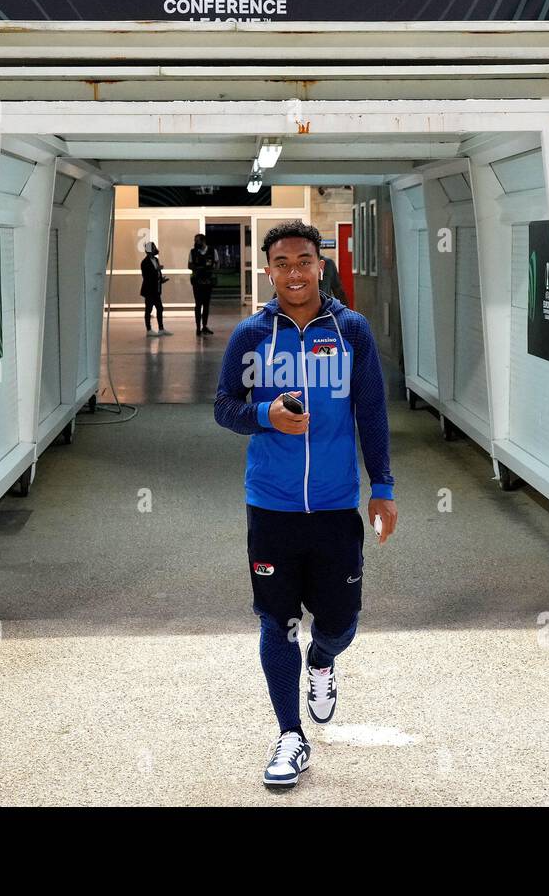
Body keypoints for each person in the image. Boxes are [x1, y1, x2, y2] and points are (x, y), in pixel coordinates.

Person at [214, 218, 398, 787]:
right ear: (268, 271)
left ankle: (322, 660)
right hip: (270, 505)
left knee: (341, 622)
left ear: (320, 265)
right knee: (275, 620)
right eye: (283, 264)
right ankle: (289, 735)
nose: (294, 273)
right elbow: (224, 406)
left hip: (336, 505)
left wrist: (383, 488)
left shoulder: (352, 332)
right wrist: (265, 416)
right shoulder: (252, 336)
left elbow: (371, 412)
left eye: (304, 261)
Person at [188, 233, 218, 336]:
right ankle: (197, 328)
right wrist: (198, 269)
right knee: (198, 304)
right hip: (197, 282)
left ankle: (204, 326)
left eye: (197, 241)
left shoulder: (212, 251)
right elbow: (189, 265)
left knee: (206, 305)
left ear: (203, 241)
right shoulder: (193, 252)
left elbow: (217, 263)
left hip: (208, 282)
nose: (195, 243)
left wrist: (211, 270)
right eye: (195, 241)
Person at [139, 240, 171, 336]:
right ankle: (149, 330)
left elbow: (157, 274)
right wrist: (156, 270)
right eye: (153, 248)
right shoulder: (144, 262)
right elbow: (146, 276)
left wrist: (161, 280)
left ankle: (161, 328)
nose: (155, 249)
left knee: (160, 308)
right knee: (148, 309)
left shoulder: (156, 260)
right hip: (149, 290)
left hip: (156, 290)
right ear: (149, 250)